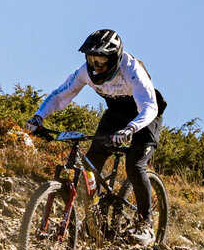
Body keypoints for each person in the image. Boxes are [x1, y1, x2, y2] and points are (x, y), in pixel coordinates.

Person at [31, 28, 165, 237]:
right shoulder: (85, 72)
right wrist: (38, 117)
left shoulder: (132, 70)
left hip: (146, 117)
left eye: (101, 61)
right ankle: (96, 218)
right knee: (92, 162)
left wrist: (131, 128)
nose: (96, 66)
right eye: (92, 59)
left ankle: (145, 223)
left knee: (135, 164)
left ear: (115, 58)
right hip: (117, 114)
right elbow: (60, 95)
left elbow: (149, 107)